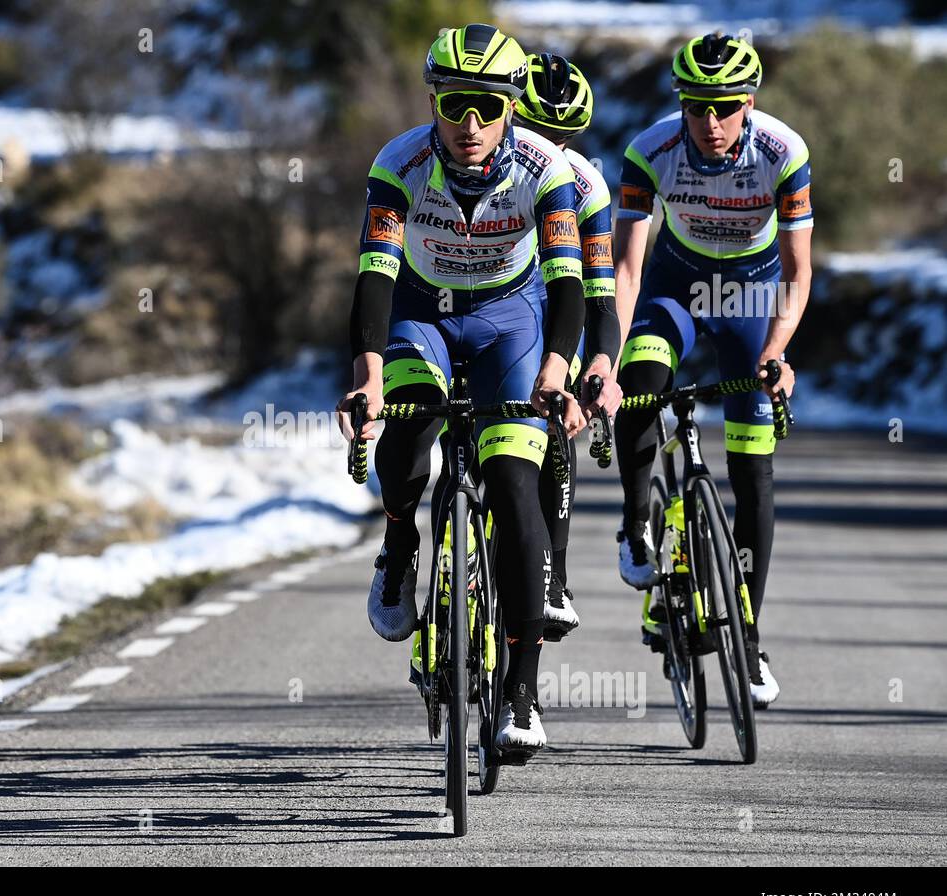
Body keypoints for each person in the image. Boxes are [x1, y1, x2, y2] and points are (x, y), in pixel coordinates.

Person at [336, 23, 586, 750]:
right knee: (412, 429)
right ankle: (399, 550)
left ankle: (521, 698)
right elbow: (375, 274)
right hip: (422, 313)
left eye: (485, 105)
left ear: (511, 103)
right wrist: (368, 376)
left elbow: (568, 283)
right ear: (435, 103)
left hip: (511, 320)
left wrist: (558, 368)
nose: (469, 125)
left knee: (513, 485)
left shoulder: (547, 170)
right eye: (453, 106)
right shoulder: (400, 163)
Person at [611, 33, 813, 706]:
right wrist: (609, 358)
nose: (711, 122)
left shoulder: (783, 154)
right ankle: (638, 521)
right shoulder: (651, 151)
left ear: (749, 103)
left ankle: (748, 643)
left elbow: (798, 270)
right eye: (697, 106)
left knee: (753, 475)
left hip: (754, 298)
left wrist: (777, 351)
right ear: (682, 105)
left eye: (726, 107)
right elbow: (629, 268)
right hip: (675, 284)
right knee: (642, 381)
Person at [511, 52, 624, 639]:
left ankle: (552, 572)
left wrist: (602, 363)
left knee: (560, 414)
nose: (548, 149)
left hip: (555, 313)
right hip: (477, 306)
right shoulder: (478, 166)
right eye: (535, 132)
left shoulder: (586, 187)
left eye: (561, 136)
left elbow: (600, 295)